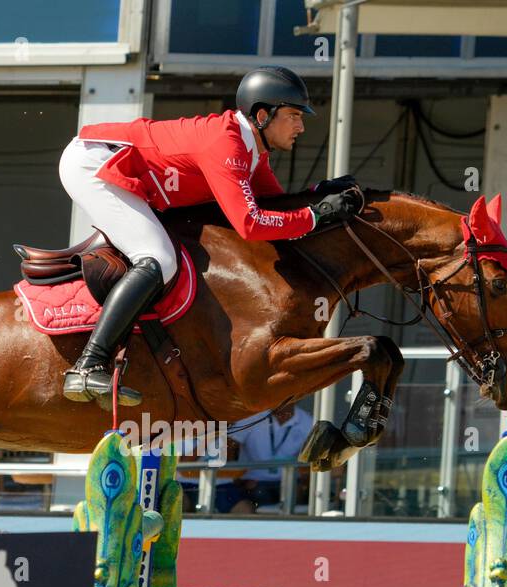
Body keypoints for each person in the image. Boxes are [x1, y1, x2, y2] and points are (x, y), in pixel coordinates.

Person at [56, 66, 361, 406]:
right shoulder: (227, 145)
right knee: (159, 259)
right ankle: (89, 364)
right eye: (293, 116)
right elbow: (251, 224)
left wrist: (318, 194)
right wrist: (316, 216)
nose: (301, 126)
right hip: (92, 163)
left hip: (114, 160)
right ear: (263, 115)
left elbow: (276, 204)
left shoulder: (251, 149)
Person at [229, 402, 313, 513]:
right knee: (260, 499)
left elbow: (313, 458)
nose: (279, 399)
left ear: (296, 398)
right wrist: (236, 479)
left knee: (295, 496)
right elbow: (229, 446)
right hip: (254, 482)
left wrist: (304, 483)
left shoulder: (308, 421)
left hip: (290, 482)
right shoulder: (251, 417)